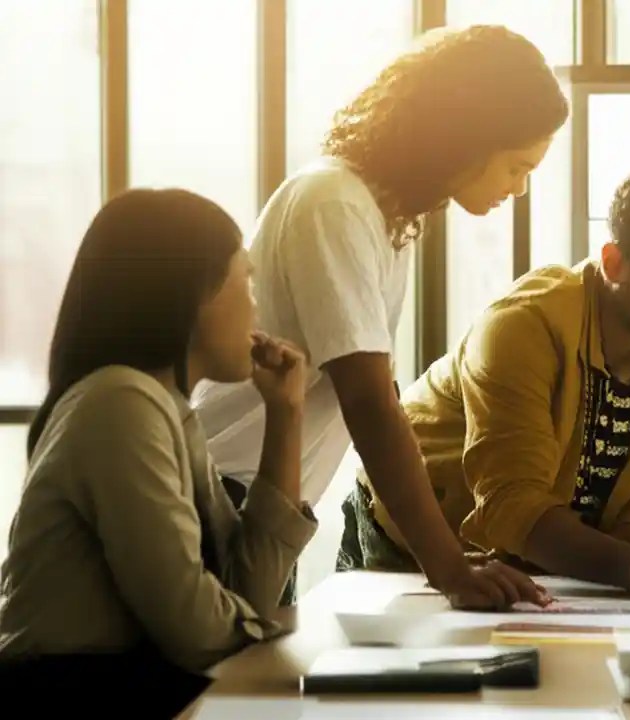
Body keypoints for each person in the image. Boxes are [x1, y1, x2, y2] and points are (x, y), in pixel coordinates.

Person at [191, 25, 568, 609]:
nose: (518, 190)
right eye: (516, 166)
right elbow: (369, 403)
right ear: (466, 137)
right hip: (222, 496)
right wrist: (447, 566)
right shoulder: (335, 203)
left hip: (268, 500)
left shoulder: (386, 218)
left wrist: (449, 559)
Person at [337, 158, 630, 602]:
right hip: (415, 546)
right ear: (614, 264)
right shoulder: (522, 327)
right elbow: (511, 506)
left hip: (538, 558)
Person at [0, 189, 312, 713]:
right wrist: (260, 629)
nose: (257, 306)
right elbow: (196, 631)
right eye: (247, 281)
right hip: (66, 696)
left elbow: (247, 594)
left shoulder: (162, 406)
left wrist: (286, 416)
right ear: (193, 293)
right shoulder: (119, 403)